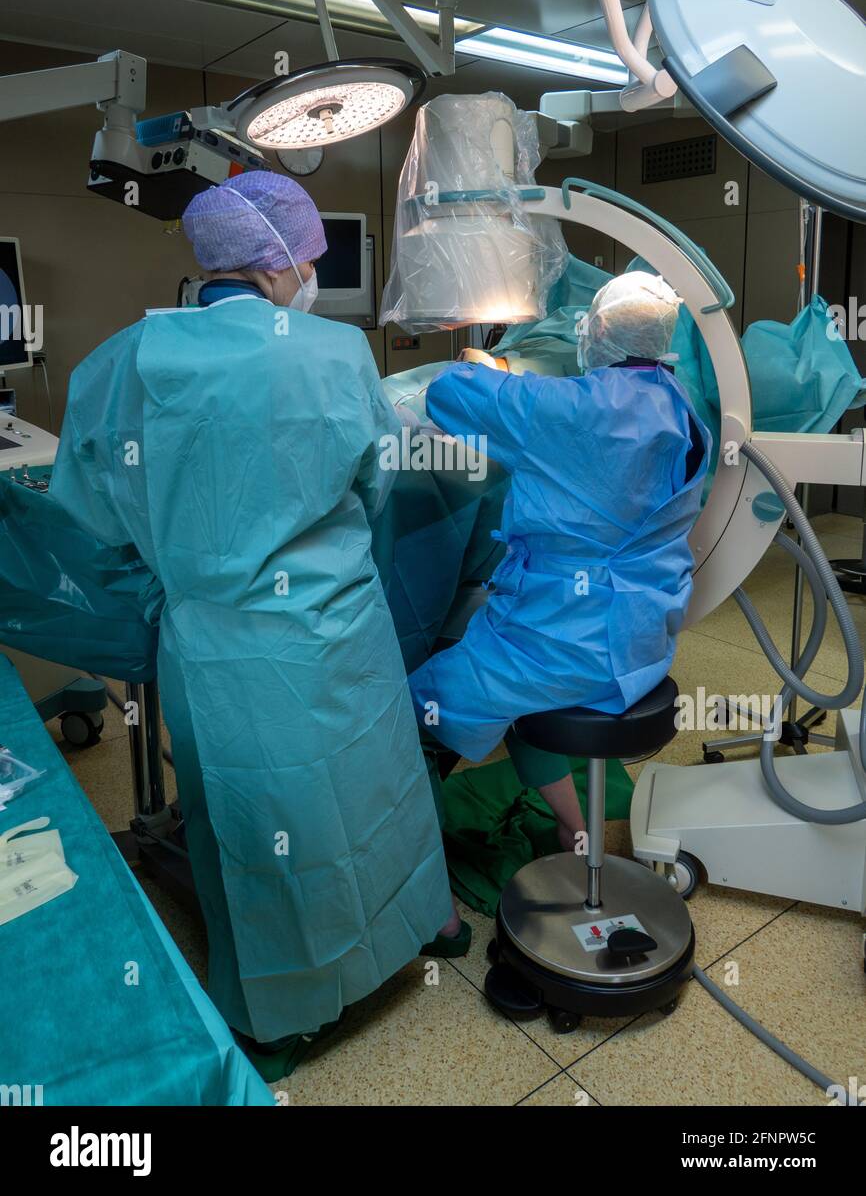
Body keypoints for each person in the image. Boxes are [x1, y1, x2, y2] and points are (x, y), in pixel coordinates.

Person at [49, 170, 455, 1074]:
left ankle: (285, 1005)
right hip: (337, 631)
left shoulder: (121, 363)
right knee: (370, 796)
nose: (311, 274)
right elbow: (376, 484)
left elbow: (98, 512)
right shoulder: (335, 354)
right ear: (277, 268)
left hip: (220, 648)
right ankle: (414, 929)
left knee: (256, 824)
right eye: (308, 259)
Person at [410, 270, 713, 848]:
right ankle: (577, 833)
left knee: (409, 706)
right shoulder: (678, 405)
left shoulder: (569, 408)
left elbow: (447, 394)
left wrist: (493, 368)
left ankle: (424, 887)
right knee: (519, 709)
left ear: (594, 330)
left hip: (562, 649)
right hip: (643, 642)